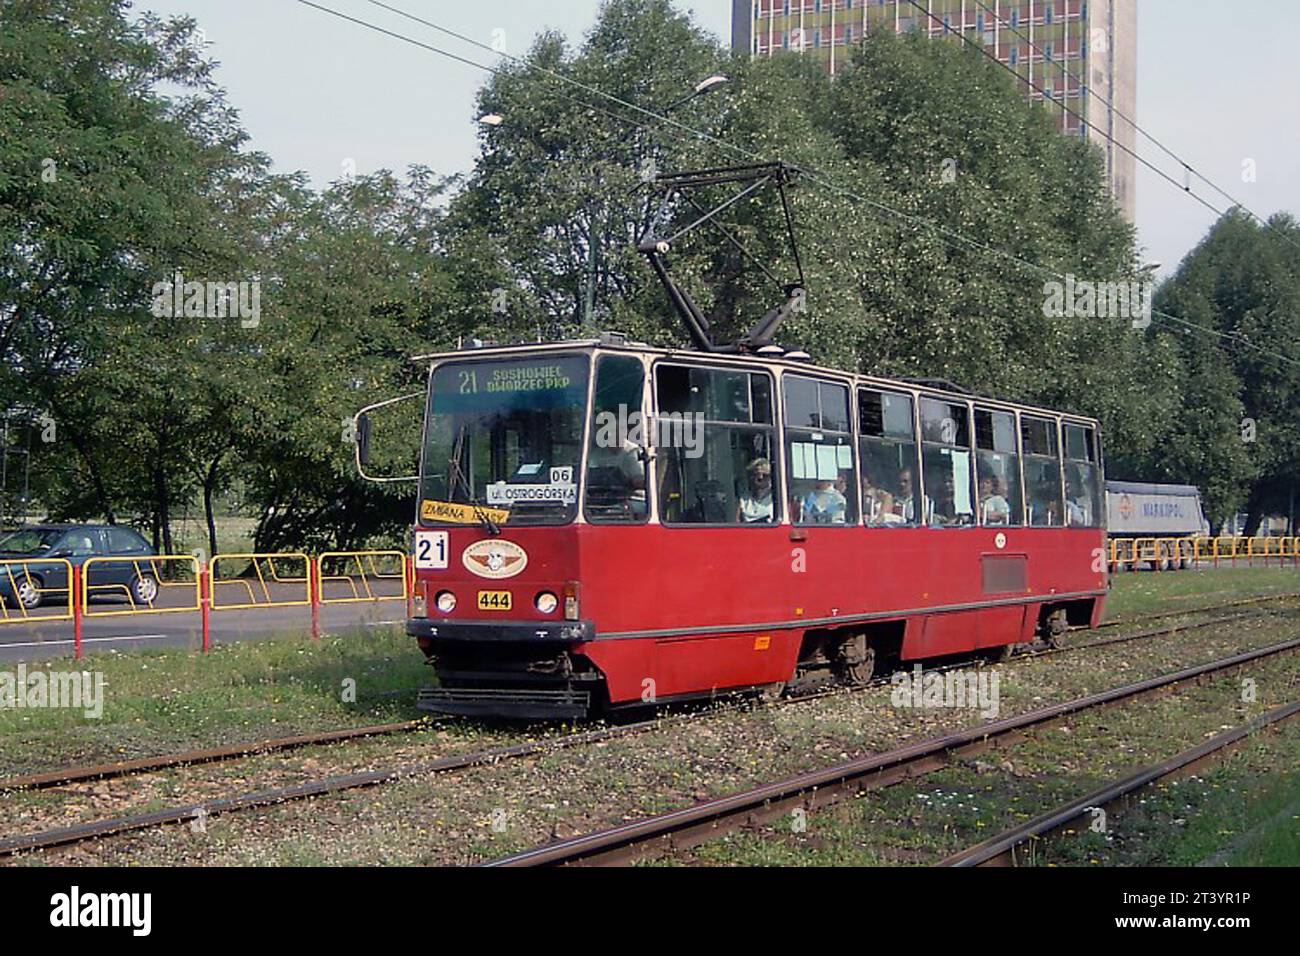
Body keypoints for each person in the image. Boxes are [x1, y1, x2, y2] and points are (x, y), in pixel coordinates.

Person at [737, 457, 774, 523]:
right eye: (756, 474)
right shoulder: (744, 499)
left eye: (765, 475)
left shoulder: (777, 500)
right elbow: (737, 523)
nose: (760, 477)